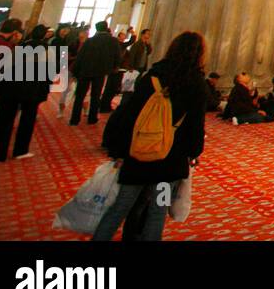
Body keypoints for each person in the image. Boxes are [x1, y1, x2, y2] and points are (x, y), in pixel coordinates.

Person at [93, 31, 207, 241]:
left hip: (139, 155)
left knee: (120, 208)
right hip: (169, 161)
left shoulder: (152, 76)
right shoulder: (196, 83)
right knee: (157, 212)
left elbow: (130, 114)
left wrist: (119, 150)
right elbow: (196, 124)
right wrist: (193, 152)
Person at [0, 24, 52, 162]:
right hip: (32, 89)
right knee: (27, 120)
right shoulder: (46, 49)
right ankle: (20, 150)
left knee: (4, 120)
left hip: (11, 87)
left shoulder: (19, 46)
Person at [70, 20, 122, 126]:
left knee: (80, 96)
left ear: (97, 29)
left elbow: (80, 57)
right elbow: (118, 56)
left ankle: (74, 119)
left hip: (85, 71)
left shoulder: (90, 41)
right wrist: (115, 67)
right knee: (96, 95)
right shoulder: (113, 41)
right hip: (101, 72)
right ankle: (92, 118)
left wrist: (75, 72)